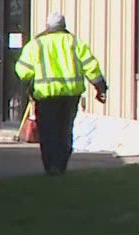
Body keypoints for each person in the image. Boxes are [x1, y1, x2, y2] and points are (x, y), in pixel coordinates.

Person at [14, 11, 106, 175]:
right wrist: (100, 87)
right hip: (70, 97)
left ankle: (51, 167)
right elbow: (90, 66)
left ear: (47, 26)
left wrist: (30, 82)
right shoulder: (74, 43)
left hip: (46, 97)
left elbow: (23, 71)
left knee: (48, 132)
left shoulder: (37, 44)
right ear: (64, 26)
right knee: (65, 130)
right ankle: (62, 165)